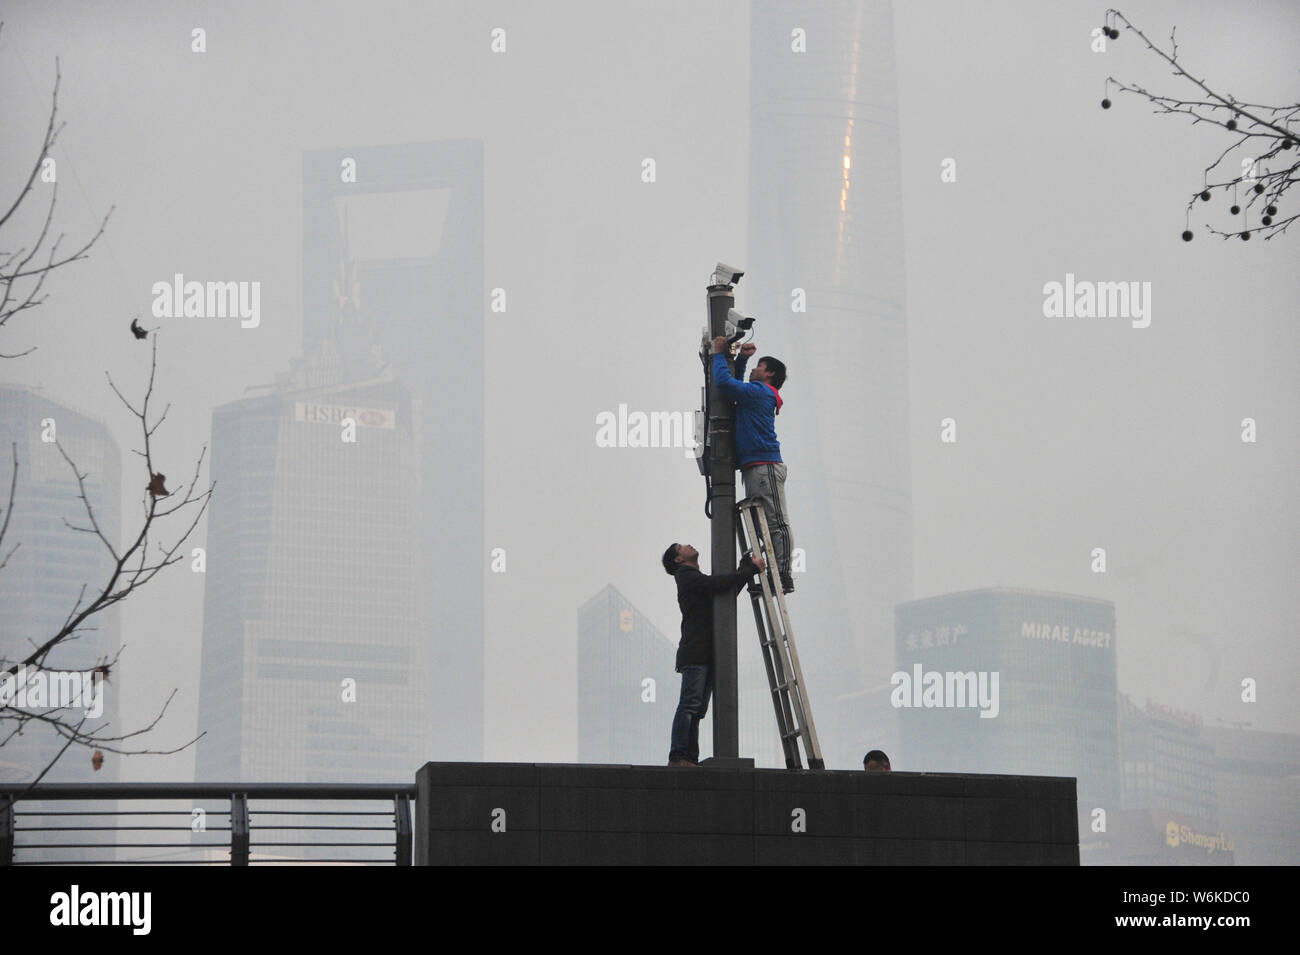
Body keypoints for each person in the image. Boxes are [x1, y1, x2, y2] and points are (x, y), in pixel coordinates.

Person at [661, 542, 764, 766]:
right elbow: (717, 584)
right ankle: (678, 756)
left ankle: (689, 758)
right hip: (696, 652)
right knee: (690, 705)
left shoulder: (696, 580)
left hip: (704, 653)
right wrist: (749, 570)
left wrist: (743, 571)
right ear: (678, 559)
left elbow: (723, 593)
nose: (688, 545)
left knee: (696, 710)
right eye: (681, 546)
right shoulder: (686, 575)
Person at [711, 337, 795, 594]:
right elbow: (737, 384)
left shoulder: (760, 393)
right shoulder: (757, 394)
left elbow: (726, 383)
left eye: (758, 366)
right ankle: (771, 574)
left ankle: (782, 575)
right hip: (756, 467)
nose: (754, 371)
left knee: (776, 524)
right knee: (763, 525)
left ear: (768, 374)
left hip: (764, 465)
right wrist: (743, 359)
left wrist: (717, 354)